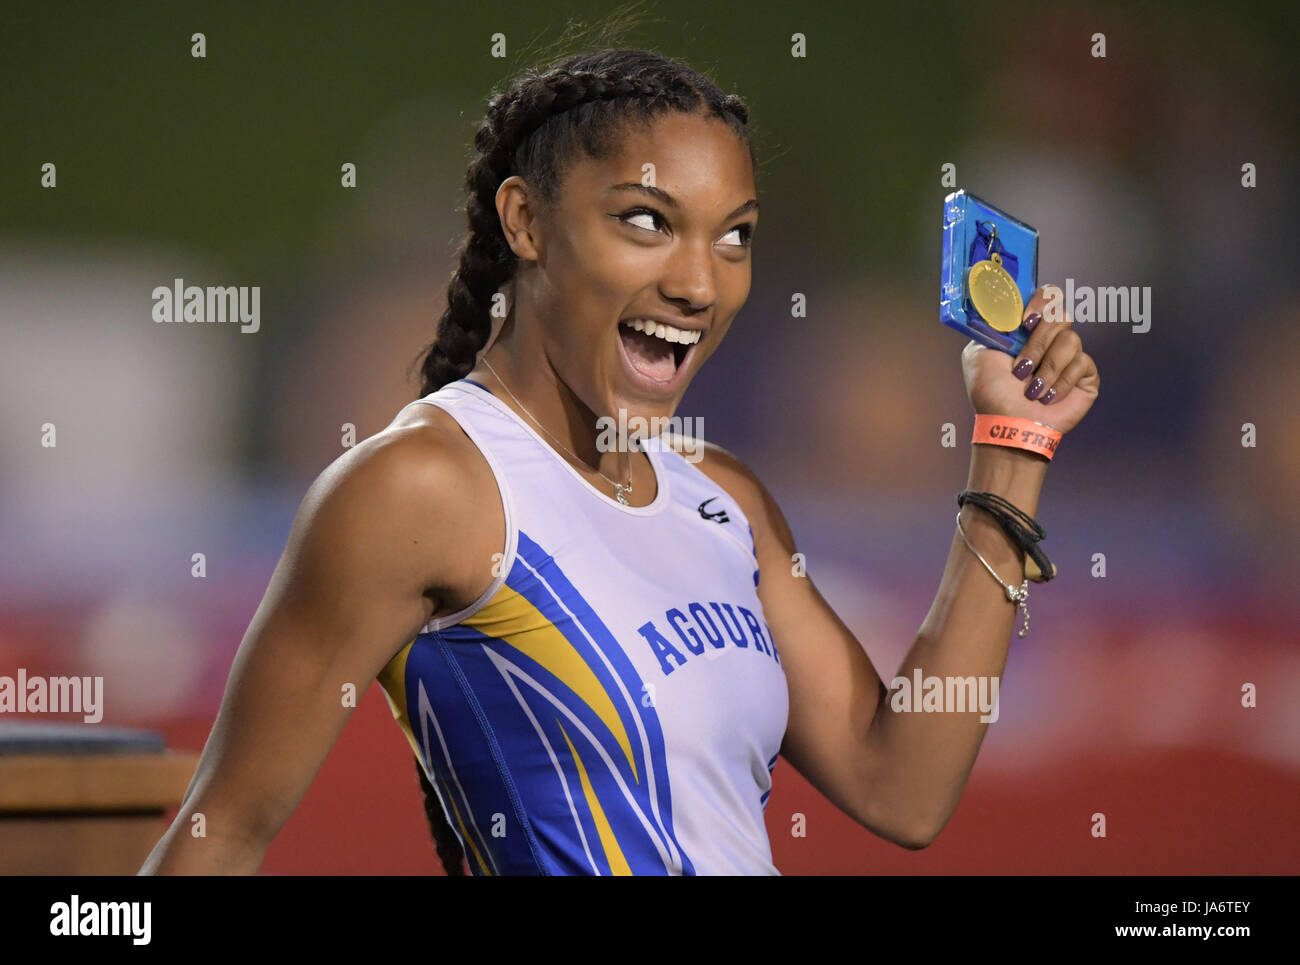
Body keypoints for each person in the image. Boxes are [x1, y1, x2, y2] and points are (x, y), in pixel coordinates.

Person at [140, 46, 1099, 876]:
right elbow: (221, 838)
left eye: (736, 237)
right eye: (646, 220)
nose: (697, 282)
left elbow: (904, 785)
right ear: (524, 221)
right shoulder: (420, 486)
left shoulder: (723, 496)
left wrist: (1011, 450)